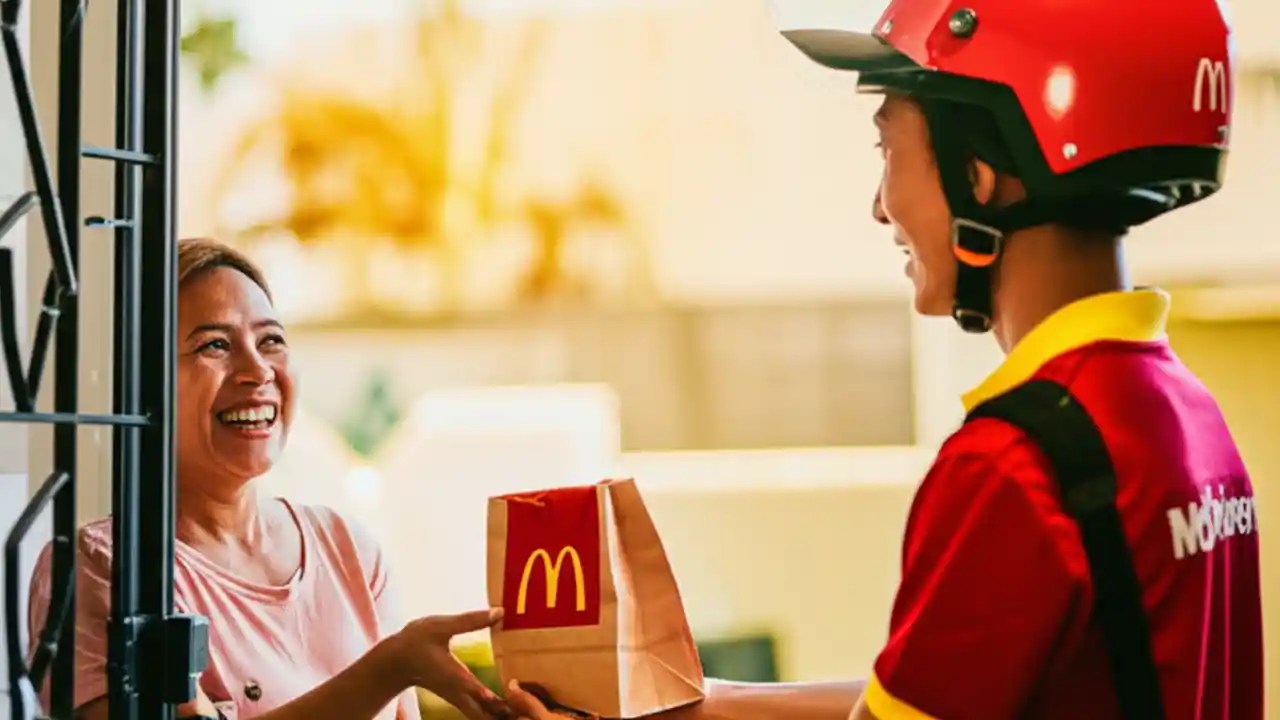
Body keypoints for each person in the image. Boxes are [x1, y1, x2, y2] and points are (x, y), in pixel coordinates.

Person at [505, 0, 1263, 718]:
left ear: (981, 172)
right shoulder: (1187, 420)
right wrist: (709, 705)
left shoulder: (1016, 466)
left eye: (889, 148)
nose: (878, 204)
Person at [27, 237, 509, 720]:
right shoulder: (102, 570)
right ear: (140, 384)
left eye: (271, 340)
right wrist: (386, 669)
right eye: (214, 345)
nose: (257, 370)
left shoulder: (351, 553)